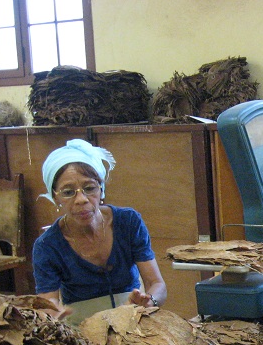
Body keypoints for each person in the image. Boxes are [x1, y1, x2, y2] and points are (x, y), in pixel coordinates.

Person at [33, 139, 167, 325]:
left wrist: (149, 301)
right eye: (68, 192)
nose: (81, 199)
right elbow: (49, 306)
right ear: (55, 198)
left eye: (89, 188)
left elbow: (157, 284)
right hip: (80, 326)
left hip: (132, 318)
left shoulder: (128, 222)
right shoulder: (47, 246)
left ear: (101, 189)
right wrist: (54, 319)